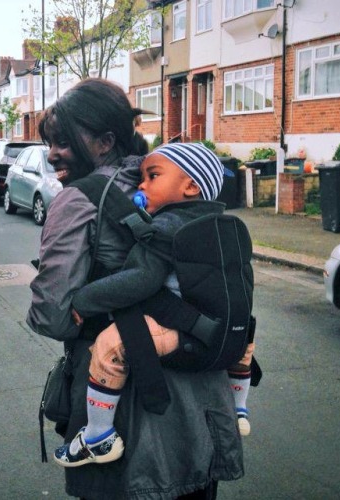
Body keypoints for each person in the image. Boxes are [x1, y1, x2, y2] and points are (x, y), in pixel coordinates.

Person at [27, 78, 244, 499]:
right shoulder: (177, 183)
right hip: (204, 404)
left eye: (64, 142)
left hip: (126, 407)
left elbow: (52, 315)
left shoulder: (77, 200)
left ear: (105, 142)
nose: (51, 153)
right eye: (49, 142)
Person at [55, 142, 255, 468]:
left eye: (153, 176)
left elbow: (141, 279)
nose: (142, 185)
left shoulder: (167, 226)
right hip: (227, 330)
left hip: (179, 331)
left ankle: (97, 436)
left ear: (190, 187)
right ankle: (239, 408)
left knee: (108, 347)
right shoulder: (223, 225)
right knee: (245, 345)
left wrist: (85, 301)